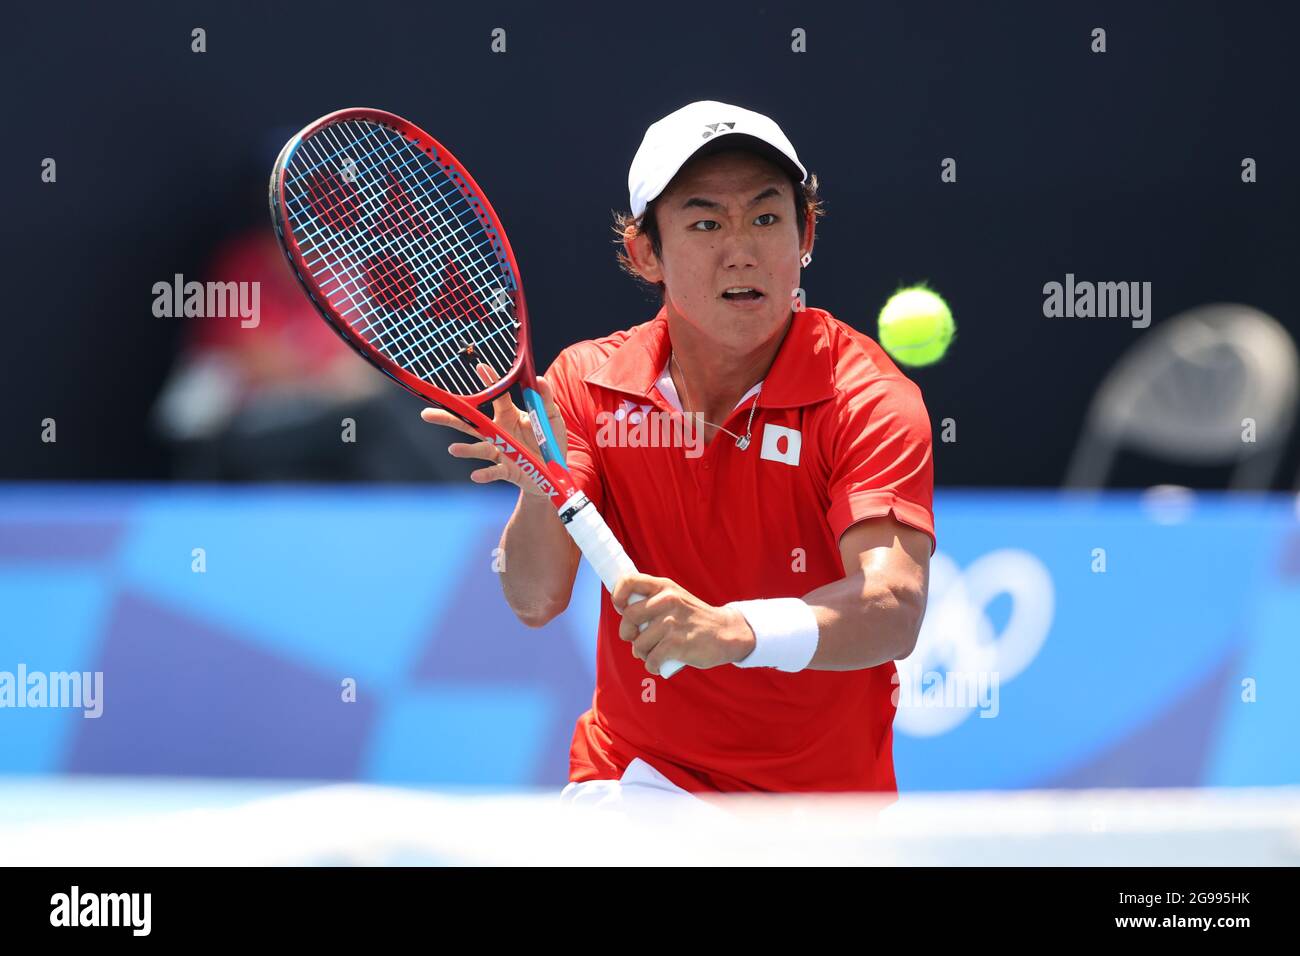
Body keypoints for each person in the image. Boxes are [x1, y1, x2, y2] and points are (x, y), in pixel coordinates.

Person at [422, 100, 935, 807]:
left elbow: (893, 606)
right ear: (643, 253)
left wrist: (731, 630)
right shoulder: (586, 387)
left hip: (826, 817)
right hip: (639, 783)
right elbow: (534, 599)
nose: (742, 249)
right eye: (704, 223)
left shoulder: (865, 399)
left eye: (765, 217)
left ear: (805, 232)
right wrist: (542, 490)